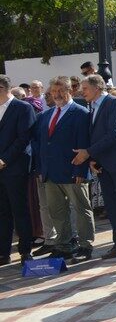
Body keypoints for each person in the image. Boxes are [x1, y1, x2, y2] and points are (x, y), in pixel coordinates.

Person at [74, 74, 116, 258]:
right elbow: (96, 135)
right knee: (112, 206)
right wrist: (93, 158)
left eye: (86, 88)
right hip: (104, 164)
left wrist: (88, 152)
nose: (82, 92)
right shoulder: (92, 107)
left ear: (97, 87)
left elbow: (114, 133)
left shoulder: (114, 103)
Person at [33, 76, 94, 263]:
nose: (57, 94)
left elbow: (84, 143)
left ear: (70, 91)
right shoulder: (45, 115)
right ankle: (64, 245)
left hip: (73, 171)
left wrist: (81, 171)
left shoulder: (81, 113)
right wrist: (41, 168)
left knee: (81, 209)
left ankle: (85, 245)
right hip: (51, 173)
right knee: (57, 211)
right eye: (54, 91)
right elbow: (41, 144)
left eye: (61, 90)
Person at [0, 74, 35, 265]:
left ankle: (25, 251)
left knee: (19, 210)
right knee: (2, 212)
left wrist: (4, 160)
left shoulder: (23, 108)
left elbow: (24, 138)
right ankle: (3, 252)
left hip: (15, 168)